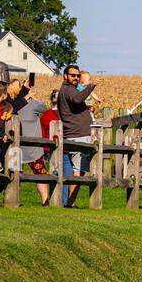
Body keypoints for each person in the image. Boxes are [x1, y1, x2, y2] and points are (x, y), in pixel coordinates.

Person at [57, 65, 97, 207]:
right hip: (78, 136)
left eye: (78, 75)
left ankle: (66, 201)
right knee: (78, 172)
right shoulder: (69, 90)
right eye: (73, 75)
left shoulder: (68, 90)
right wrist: (90, 87)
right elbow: (77, 99)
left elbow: (75, 103)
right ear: (65, 76)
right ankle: (70, 203)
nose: (76, 78)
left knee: (74, 171)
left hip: (74, 135)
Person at [16, 82, 51, 205]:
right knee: (41, 174)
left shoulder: (12, 104)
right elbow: (44, 107)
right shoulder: (32, 104)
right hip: (33, 148)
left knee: (15, 174)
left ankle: (13, 200)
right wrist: (33, 97)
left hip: (16, 147)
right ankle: (45, 201)